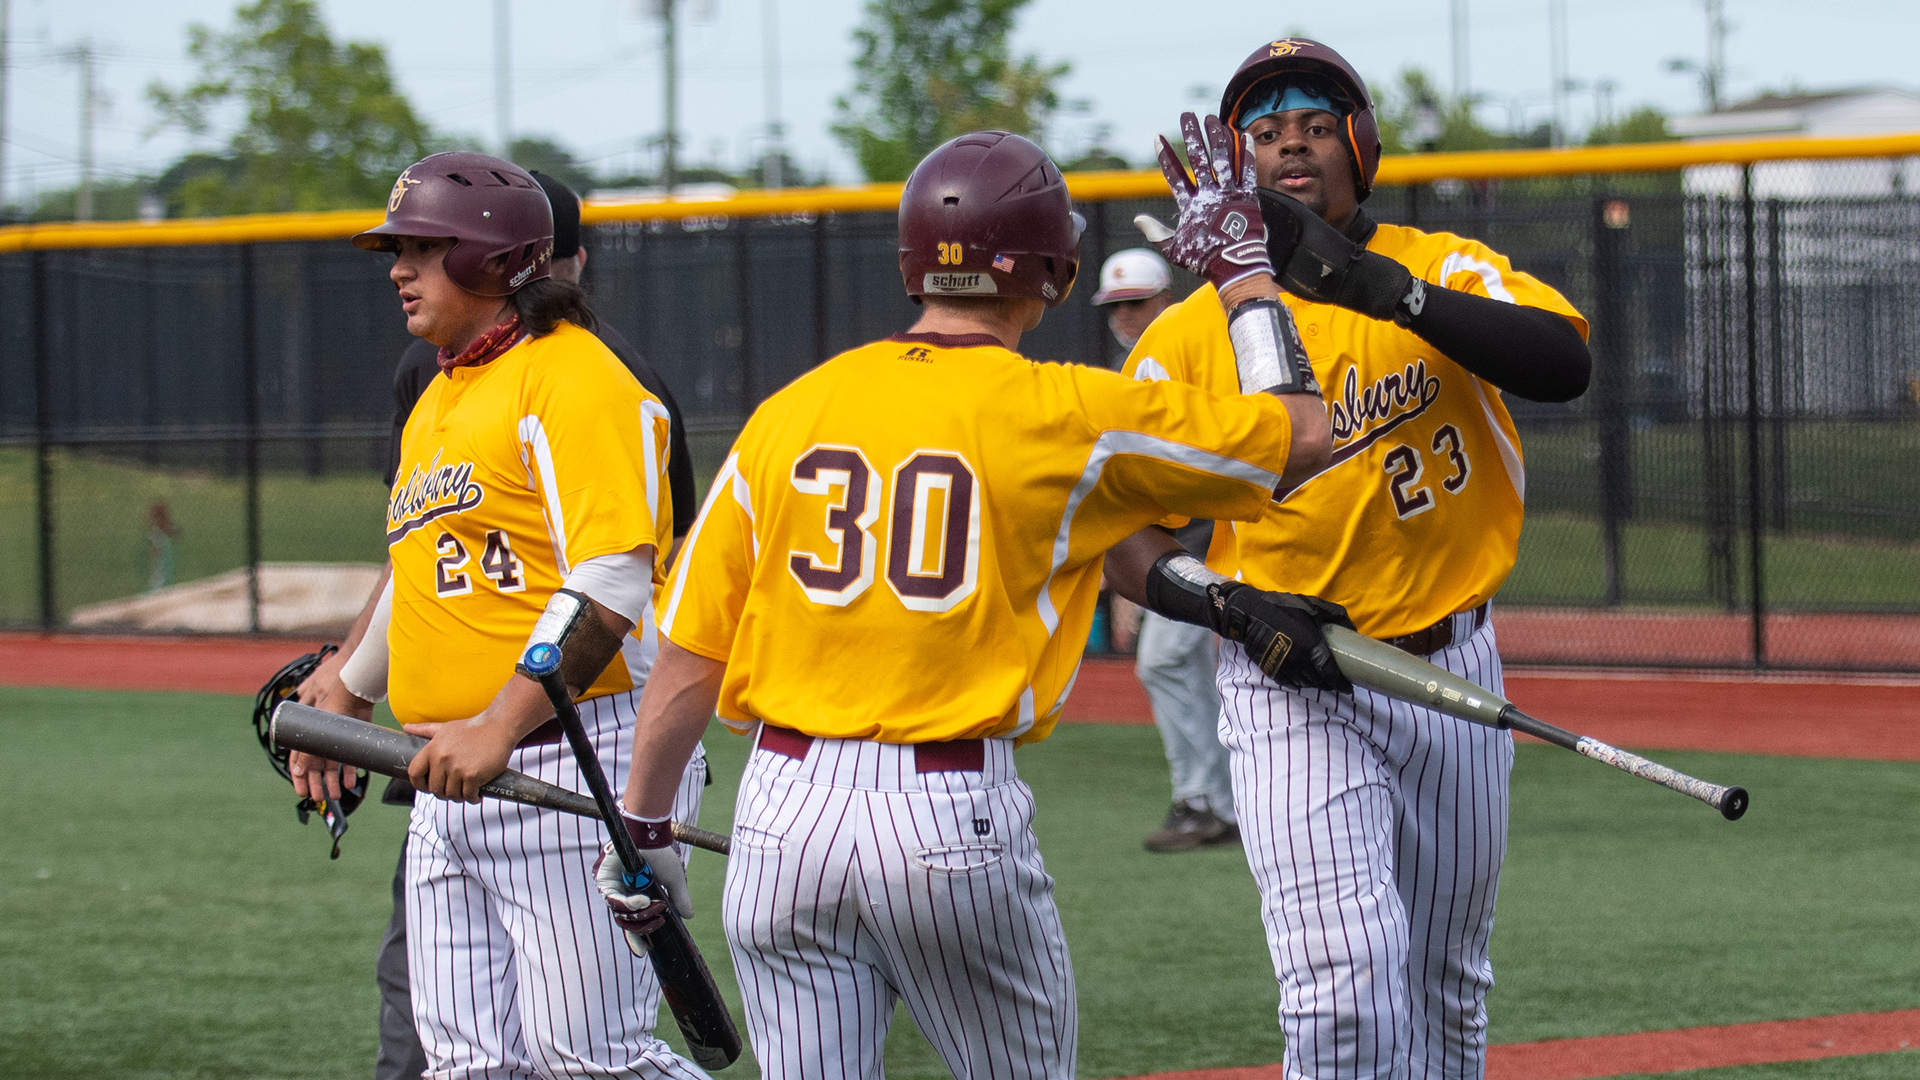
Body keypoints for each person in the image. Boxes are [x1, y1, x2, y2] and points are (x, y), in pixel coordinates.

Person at [594, 129, 1338, 1080]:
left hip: (779, 816)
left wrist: (646, 827)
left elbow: (694, 649)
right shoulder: (1072, 413)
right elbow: (1306, 434)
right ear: (1054, 271)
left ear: (913, 263)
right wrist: (1243, 274)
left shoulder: (796, 407)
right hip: (945, 814)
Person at [1106, 39, 1592, 1078]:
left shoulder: (1438, 264)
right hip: (1292, 675)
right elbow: (1122, 537)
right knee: (1341, 985)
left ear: (1359, 146)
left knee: (1446, 983)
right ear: (1236, 161)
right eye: (1267, 132)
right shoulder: (1191, 336)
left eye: (1316, 127)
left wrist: (1380, 290)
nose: (1292, 146)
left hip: (1452, 666)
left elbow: (1564, 361)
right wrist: (1228, 607)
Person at [288, 151, 709, 1080]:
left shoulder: (574, 377)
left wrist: (499, 720)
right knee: (469, 1065)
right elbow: (422, 575)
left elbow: (611, 583)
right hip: (451, 770)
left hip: (570, 754)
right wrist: (349, 698)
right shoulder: (444, 389)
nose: (397, 268)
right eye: (396, 249)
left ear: (489, 260)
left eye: (422, 248)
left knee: (589, 1061)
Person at [1089, 248, 1239, 852]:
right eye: (1116, 306)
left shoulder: (1196, 350)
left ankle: (1206, 799)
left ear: (1164, 299)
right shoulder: (1127, 371)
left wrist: (1155, 569)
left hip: (1203, 542)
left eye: (1137, 303)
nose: (1126, 316)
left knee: (1165, 663)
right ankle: (1217, 802)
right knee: (1189, 667)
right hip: (1163, 545)